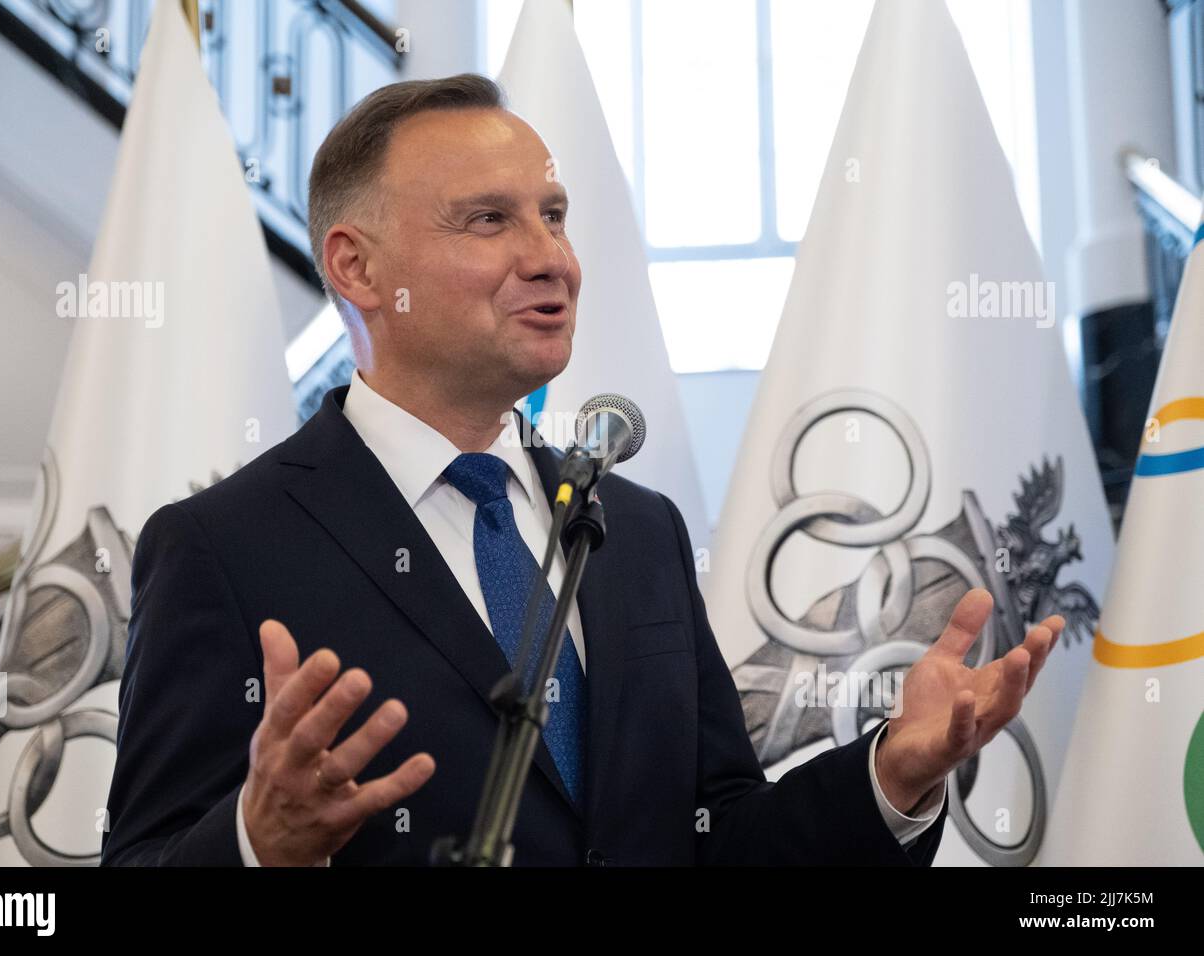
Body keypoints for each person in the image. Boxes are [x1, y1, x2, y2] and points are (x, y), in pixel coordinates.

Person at [100, 74, 1063, 866]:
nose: (549, 256)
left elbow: (717, 834)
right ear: (356, 268)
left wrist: (891, 774)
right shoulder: (225, 548)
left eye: (553, 215)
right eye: (488, 220)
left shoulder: (632, 528)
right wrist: (256, 846)